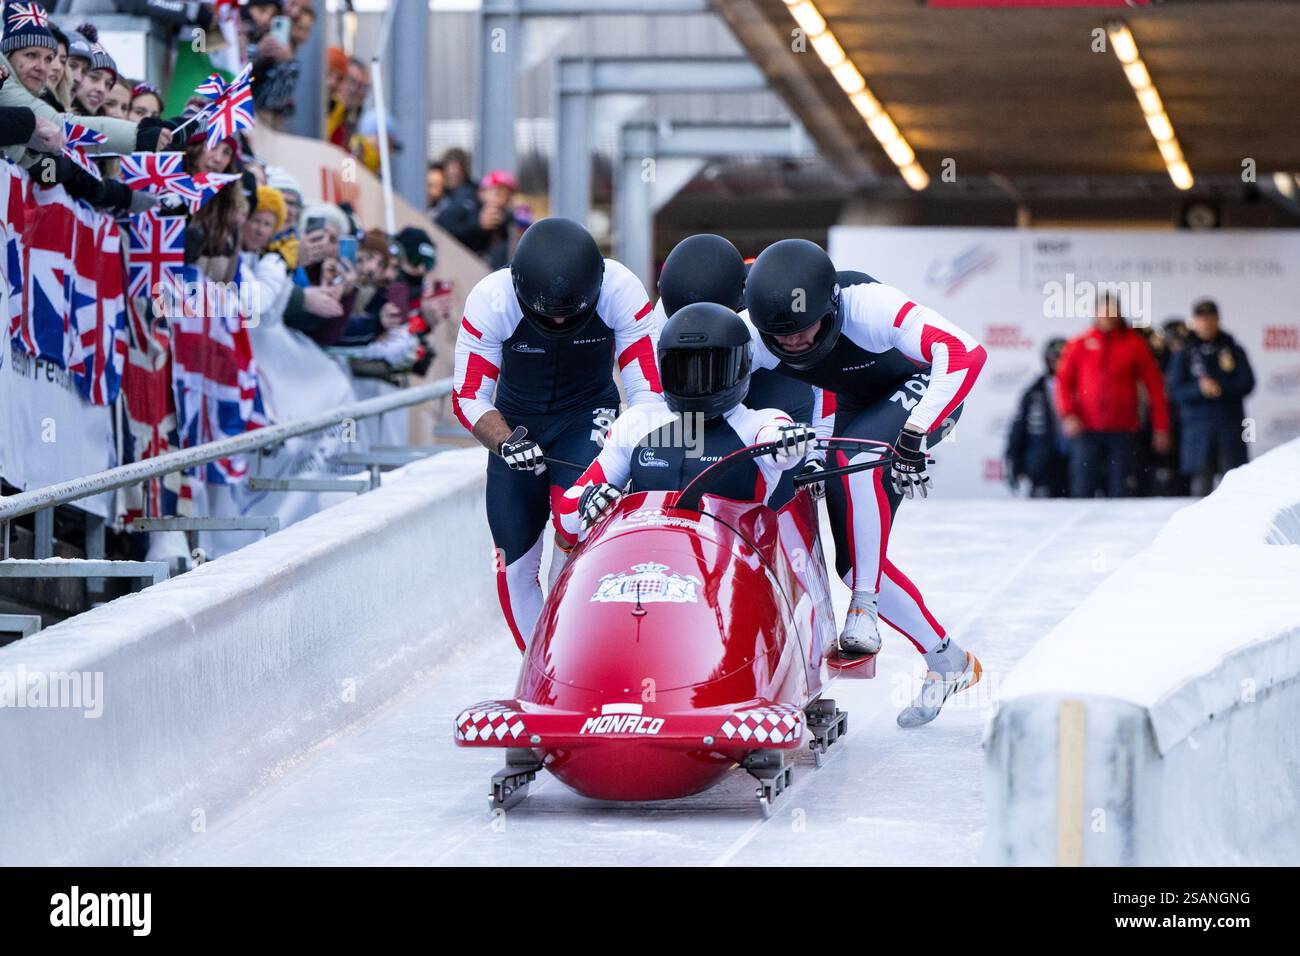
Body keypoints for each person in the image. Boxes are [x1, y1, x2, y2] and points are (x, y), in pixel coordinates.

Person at [742, 239, 986, 727]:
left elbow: (965, 354)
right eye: (779, 335)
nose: (791, 343)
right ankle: (949, 662)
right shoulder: (755, 333)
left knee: (858, 463)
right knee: (854, 565)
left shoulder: (868, 306)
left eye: (802, 329)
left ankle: (864, 612)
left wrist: (917, 432)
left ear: (830, 308)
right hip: (861, 405)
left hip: (921, 390)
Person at [453, 217, 664, 651]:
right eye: (548, 312)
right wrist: (505, 440)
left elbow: (648, 393)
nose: (560, 319)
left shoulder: (620, 289)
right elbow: (470, 395)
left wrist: (625, 445)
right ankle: (539, 667)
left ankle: (574, 652)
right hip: (515, 427)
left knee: (578, 526)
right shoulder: (491, 300)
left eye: (572, 311)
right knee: (514, 564)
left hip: (587, 416)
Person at [557, 302, 815, 539]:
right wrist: (587, 500)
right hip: (643, 563)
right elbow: (566, 514)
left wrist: (786, 442)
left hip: (727, 570)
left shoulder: (758, 424)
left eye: (712, 368)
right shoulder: (637, 423)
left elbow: (780, 446)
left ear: (741, 365)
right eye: (685, 368)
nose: (697, 381)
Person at [654, 233, 825, 507]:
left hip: (774, 383)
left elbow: (821, 377)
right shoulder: (667, 309)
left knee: (782, 489)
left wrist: (817, 453)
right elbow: (663, 386)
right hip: (709, 381)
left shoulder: (771, 296)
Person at [1055, 293, 1171, 498]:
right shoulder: (1079, 344)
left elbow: (1155, 387)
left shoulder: (1134, 344)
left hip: (1123, 432)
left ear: (1118, 314)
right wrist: (1068, 415)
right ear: (1096, 314)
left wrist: (1161, 427)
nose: (1107, 316)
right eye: (1103, 312)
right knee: (1082, 488)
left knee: (1122, 491)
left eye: (1111, 312)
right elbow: (1063, 383)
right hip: (1086, 431)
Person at [1165, 299, 1255, 497]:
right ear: (1195, 322)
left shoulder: (1232, 348)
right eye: (1201, 319)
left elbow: (1247, 383)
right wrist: (1199, 389)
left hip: (1229, 429)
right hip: (1198, 432)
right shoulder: (1185, 353)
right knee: (1200, 489)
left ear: (1217, 320)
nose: (1206, 324)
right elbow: (1174, 390)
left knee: (1234, 486)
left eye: (1210, 319)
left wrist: (1221, 388)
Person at [1005, 337, 1069, 497]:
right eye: (1055, 358)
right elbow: (1019, 429)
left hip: (1075, 463)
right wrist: (1014, 463)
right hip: (1042, 465)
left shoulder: (1083, 388)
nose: (1059, 363)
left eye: (1063, 358)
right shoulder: (1034, 392)